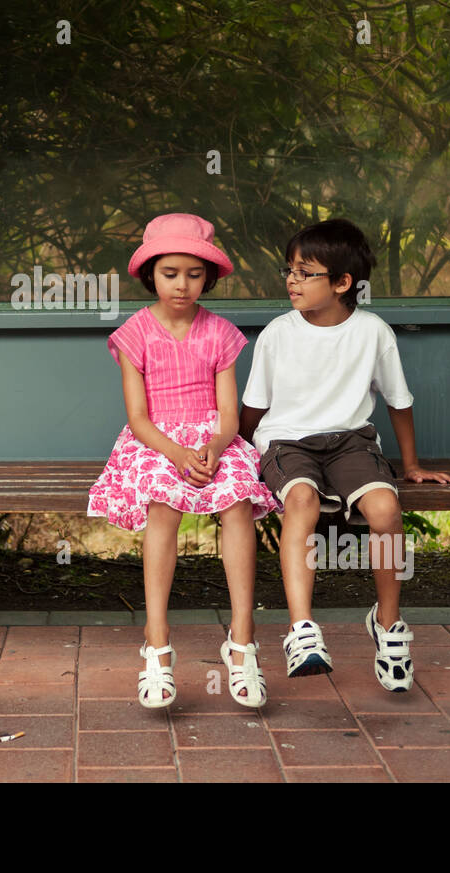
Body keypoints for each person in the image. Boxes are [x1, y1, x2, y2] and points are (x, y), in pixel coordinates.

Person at [240, 218, 450, 692]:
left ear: (341, 283)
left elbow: (399, 401)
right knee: (302, 501)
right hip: (287, 442)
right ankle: (302, 629)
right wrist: (237, 455)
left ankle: (389, 624)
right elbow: (254, 407)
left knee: (385, 512)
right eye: (289, 270)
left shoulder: (373, 331)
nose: (291, 280)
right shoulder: (278, 333)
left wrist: (412, 465)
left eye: (304, 271)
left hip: (351, 441)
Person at [88, 213, 275, 709]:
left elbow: (231, 415)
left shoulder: (220, 334)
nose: (182, 285)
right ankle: (157, 645)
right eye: (170, 273)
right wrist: (176, 454)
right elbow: (138, 416)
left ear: (207, 278)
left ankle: (242, 641)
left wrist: (214, 449)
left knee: (237, 502)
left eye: (194, 275)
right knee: (164, 507)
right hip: (155, 441)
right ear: (151, 273)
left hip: (213, 437)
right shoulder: (135, 334)